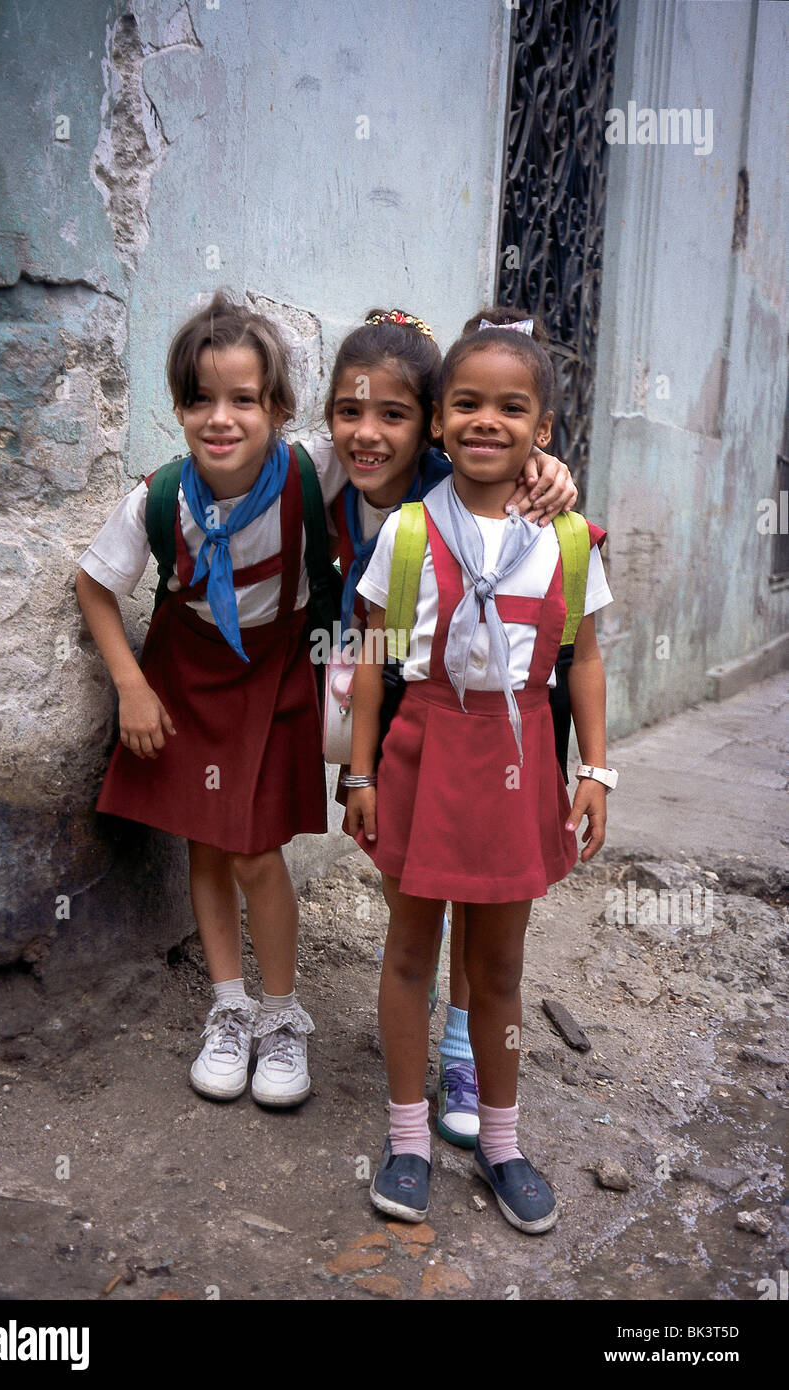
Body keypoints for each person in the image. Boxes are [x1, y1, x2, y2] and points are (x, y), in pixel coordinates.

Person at [345, 314, 614, 1230]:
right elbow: (372, 657)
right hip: (424, 750)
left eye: (510, 407)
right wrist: (359, 776)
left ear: (543, 429)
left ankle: (499, 1144)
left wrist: (596, 771)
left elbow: (580, 658)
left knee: (499, 970)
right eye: (465, 403)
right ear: (436, 420)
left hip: (518, 758)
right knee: (410, 953)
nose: (485, 421)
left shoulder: (567, 539)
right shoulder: (410, 532)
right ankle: (408, 1138)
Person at [75, 291, 344, 1110]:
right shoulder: (159, 501)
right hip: (186, 677)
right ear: (179, 407)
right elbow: (94, 584)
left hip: (274, 675)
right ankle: (227, 1009)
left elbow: (404, 447)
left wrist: (539, 465)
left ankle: (281, 1014)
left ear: (280, 409)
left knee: (256, 850)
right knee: (204, 844)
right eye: (199, 399)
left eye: (242, 400)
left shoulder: (314, 469)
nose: (219, 418)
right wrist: (132, 687)